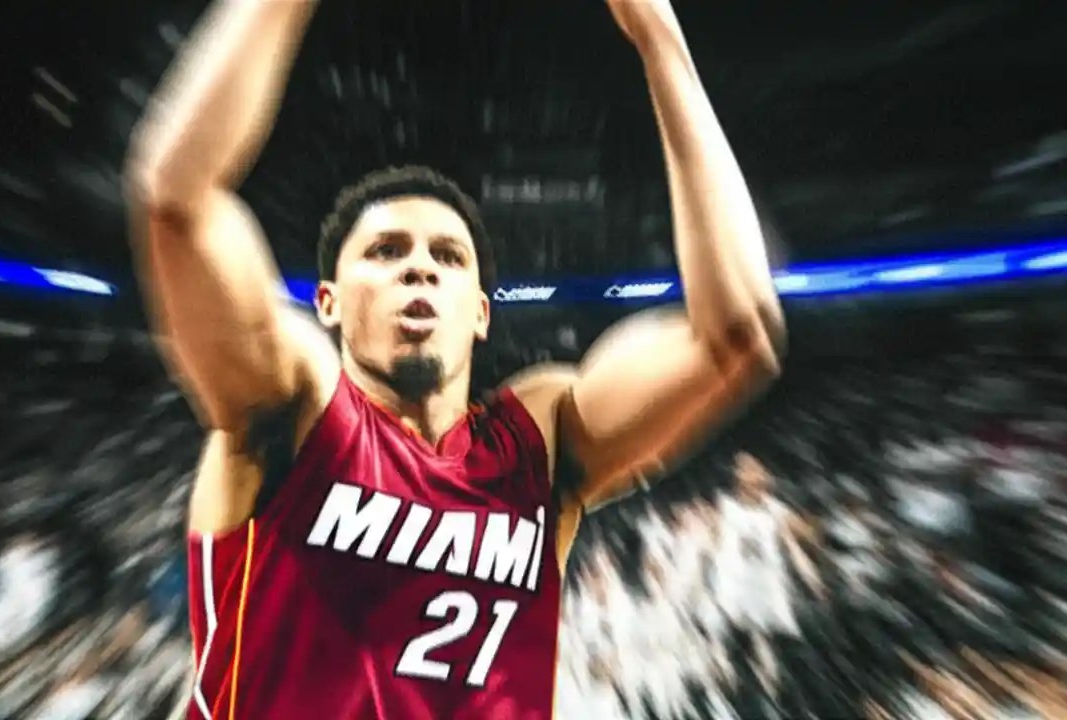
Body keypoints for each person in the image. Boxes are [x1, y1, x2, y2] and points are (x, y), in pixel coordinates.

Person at [127, 0, 784, 718]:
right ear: (327, 303)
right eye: (385, 252)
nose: (420, 269)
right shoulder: (294, 405)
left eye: (447, 257)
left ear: (479, 312)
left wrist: (660, 39)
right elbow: (176, 201)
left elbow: (738, 336)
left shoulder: (542, 437)